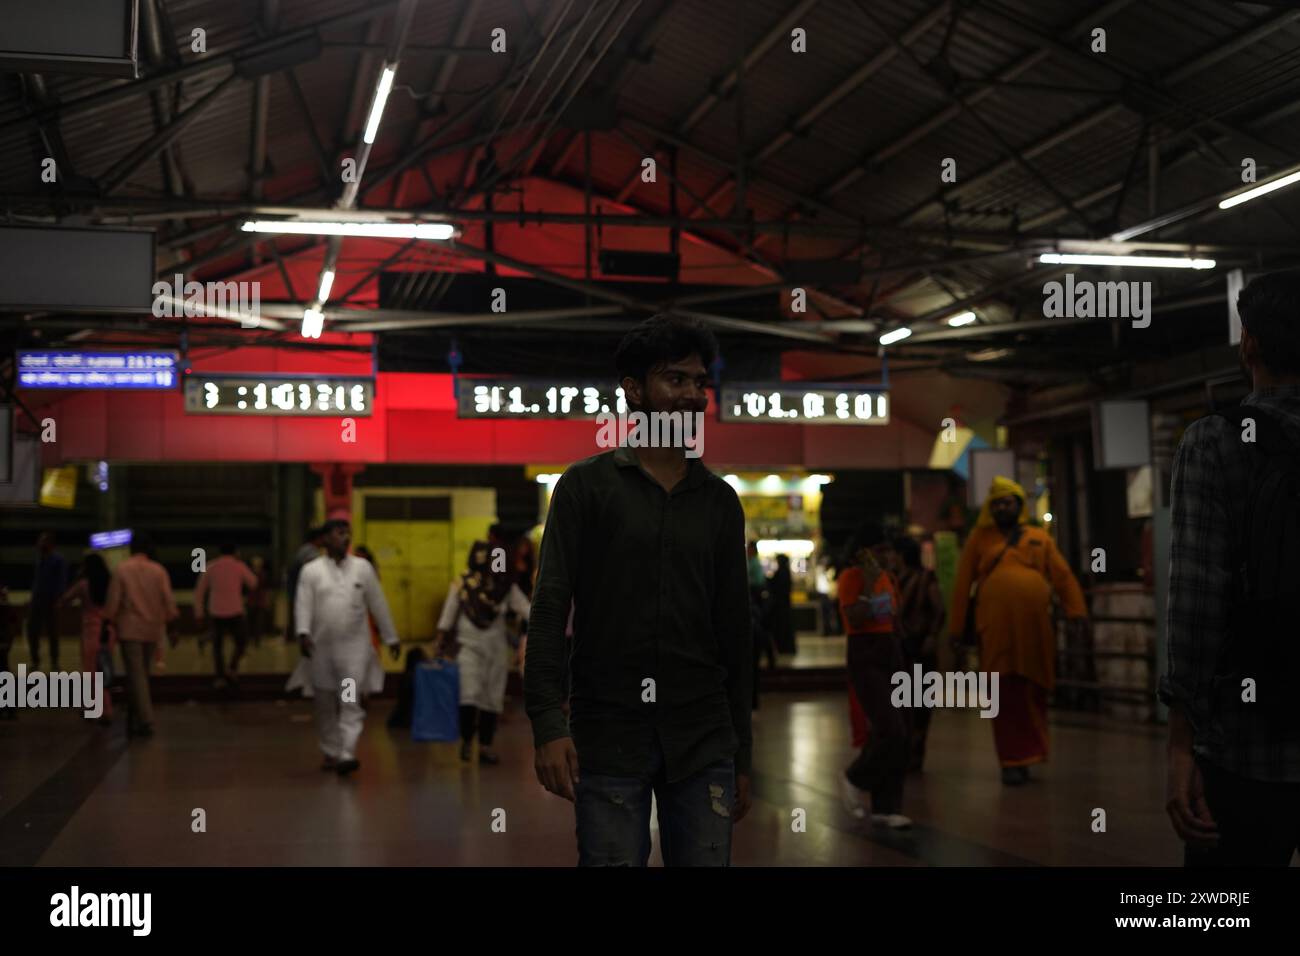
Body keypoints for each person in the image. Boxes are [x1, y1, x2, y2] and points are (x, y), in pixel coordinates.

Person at [525, 313, 753, 867]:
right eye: (676, 380)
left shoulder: (719, 501)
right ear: (633, 391)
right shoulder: (585, 487)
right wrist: (548, 724)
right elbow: (551, 606)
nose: (694, 396)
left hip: (703, 738)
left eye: (700, 383)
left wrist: (742, 752)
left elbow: (735, 631)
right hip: (608, 735)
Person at [1162, 268, 1300, 866]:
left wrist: (1180, 744)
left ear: (1250, 344)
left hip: (1249, 745)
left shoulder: (1215, 443)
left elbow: (1196, 607)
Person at [949, 477, 1088, 785]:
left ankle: (1033, 753)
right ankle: (1011, 760)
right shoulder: (979, 539)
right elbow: (962, 585)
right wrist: (956, 628)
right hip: (995, 630)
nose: (1001, 508)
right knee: (1003, 693)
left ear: (1019, 506)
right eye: (996, 503)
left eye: (1007, 502)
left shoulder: (1039, 537)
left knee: (1033, 687)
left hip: (1034, 631)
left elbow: (1062, 576)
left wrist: (1076, 610)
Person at [291, 519, 400, 777]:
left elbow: (378, 602)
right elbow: (303, 603)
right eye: (339, 533)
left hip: (354, 651)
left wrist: (390, 637)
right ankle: (331, 750)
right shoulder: (312, 571)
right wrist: (303, 633)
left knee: (349, 700)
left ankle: (347, 752)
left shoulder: (362, 569)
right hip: (321, 652)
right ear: (326, 539)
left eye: (347, 533)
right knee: (325, 703)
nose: (346, 537)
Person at [837, 522, 910, 828]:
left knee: (898, 731)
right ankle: (855, 777)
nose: (886, 555)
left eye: (888, 550)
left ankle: (886, 806)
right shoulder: (850, 578)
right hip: (864, 654)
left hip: (890, 651)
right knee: (890, 728)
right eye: (879, 550)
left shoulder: (889, 578)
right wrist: (867, 583)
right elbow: (853, 616)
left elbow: (892, 616)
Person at [435, 540, 531, 765]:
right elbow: (448, 614)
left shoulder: (505, 586)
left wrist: (548, 622)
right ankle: (467, 741)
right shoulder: (462, 584)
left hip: (496, 650)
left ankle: (486, 746)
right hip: (468, 647)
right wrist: (440, 637)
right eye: (491, 559)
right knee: (469, 695)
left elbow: (526, 608)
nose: (495, 564)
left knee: (492, 699)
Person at [104, 532, 178, 738]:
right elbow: (169, 602)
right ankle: (135, 717)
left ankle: (145, 719)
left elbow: (113, 601)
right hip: (152, 629)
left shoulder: (122, 570)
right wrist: (172, 625)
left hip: (129, 629)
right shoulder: (159, 570)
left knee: (136, 676)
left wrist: (108, 619)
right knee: (143, 674)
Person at [895, 536, 946, 771]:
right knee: (907, 702)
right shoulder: (896, 580)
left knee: (919, 703)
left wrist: (932, 636)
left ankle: (915, 752)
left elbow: (939, 609)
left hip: (918, 645)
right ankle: (908, 751)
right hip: (904, 646)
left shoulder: (924, 579)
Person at [59, 553, 116, 724]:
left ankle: (98, 708)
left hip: (91, 631)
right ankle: (98, 707)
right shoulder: (111, 585)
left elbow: (64, 599)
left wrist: (76, 577)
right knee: (103, 669)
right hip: (108, 631)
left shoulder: (84, 585)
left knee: (90, 670)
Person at [194, 543, 258, 689]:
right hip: (236, 610)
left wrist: (199, 613)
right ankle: (232, 667)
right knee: (242, 641)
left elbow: (199, 591)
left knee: (218, 646)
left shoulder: (211, 566)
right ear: (235, 552)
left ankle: (220, 676)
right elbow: (253, 583)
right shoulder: (239, 566)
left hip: (216, 611)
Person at [27, 531, 67, 670]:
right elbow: (37, 581)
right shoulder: (39, 558)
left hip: (51, 600)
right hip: (37, 599)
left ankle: (54, 662)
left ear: (50, 543)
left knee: (53, 632)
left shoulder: (58, 559)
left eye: (42, 541)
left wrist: (58, 599)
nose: (39, 543)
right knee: (32, 631)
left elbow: (61, 581)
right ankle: (35, 661)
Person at [285, 526, 325, 642]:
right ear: (317, 539)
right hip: (299, 591)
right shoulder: (310, 552)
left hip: (295, 589)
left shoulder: (305, 549)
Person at [766, 553, 796, 656]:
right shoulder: (785, 571)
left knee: (781, 627)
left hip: (780, 605)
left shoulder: (781, 572)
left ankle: (783, 648)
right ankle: (786, 648)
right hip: (784, 604)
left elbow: (774, 586)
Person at [0, 585, 16, 720]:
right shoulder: (6, 607)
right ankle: (9, 708)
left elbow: (10, 625)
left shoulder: (5, 608)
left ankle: (9, 708)